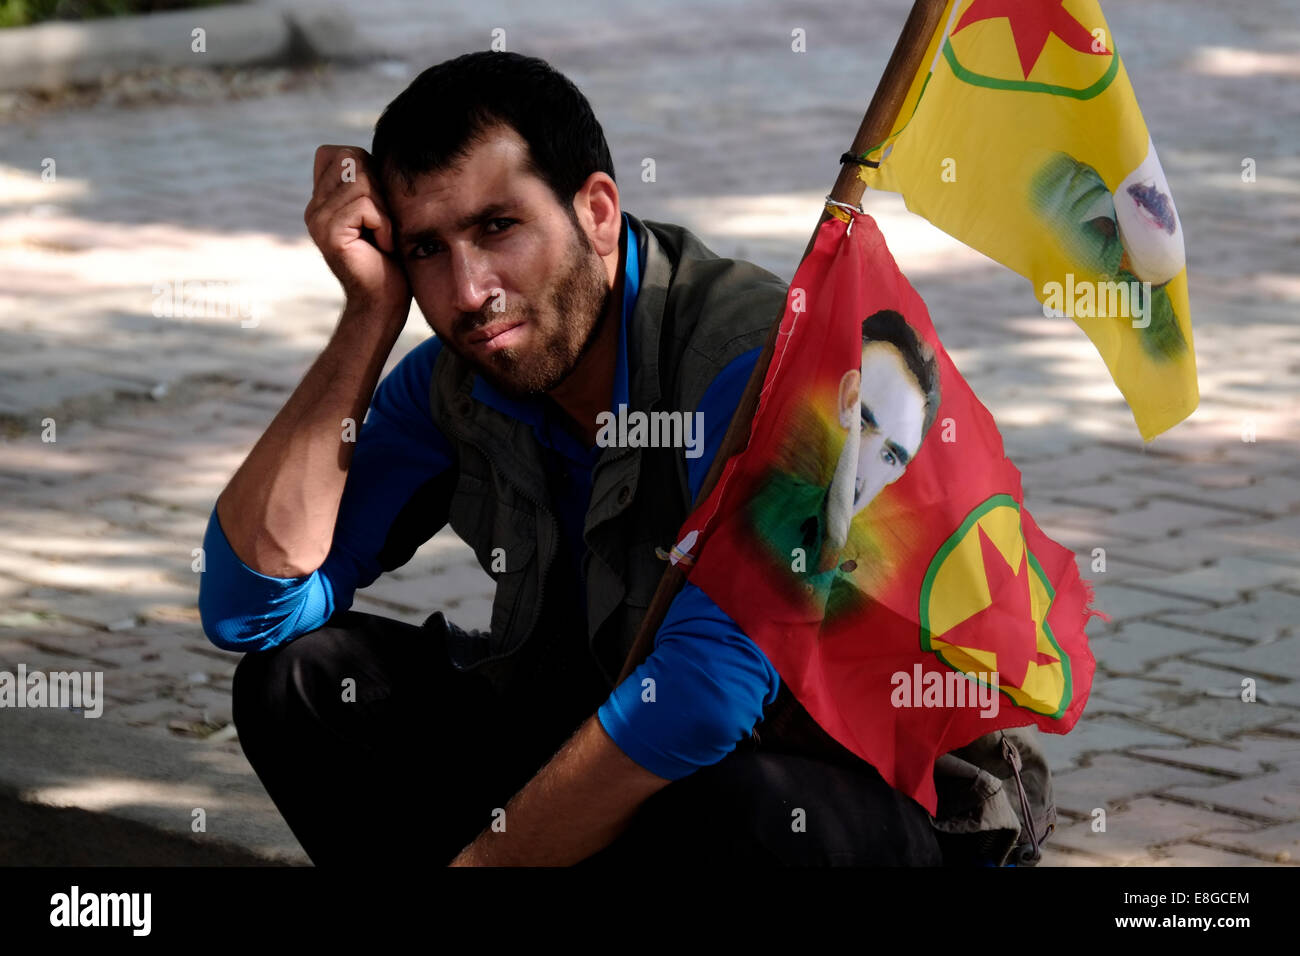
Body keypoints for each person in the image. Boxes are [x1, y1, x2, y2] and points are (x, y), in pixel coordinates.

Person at [198, 51, 954, 867]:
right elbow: (251, 608)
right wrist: (368, 319)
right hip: (600, 756)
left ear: (596, 211)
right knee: (299, 682)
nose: (467, 290)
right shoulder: (458, 376)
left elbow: (707, 696)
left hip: (816, 785)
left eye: (497, 228)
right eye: (425, 250)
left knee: (755, 811)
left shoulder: (758, 366)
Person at [748, 309, 940, 619]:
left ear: (899, 472)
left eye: (890, 455)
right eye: (863, 423)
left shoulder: (873, 585)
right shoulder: (755, 506)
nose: (862, 467)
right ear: (844, 397)